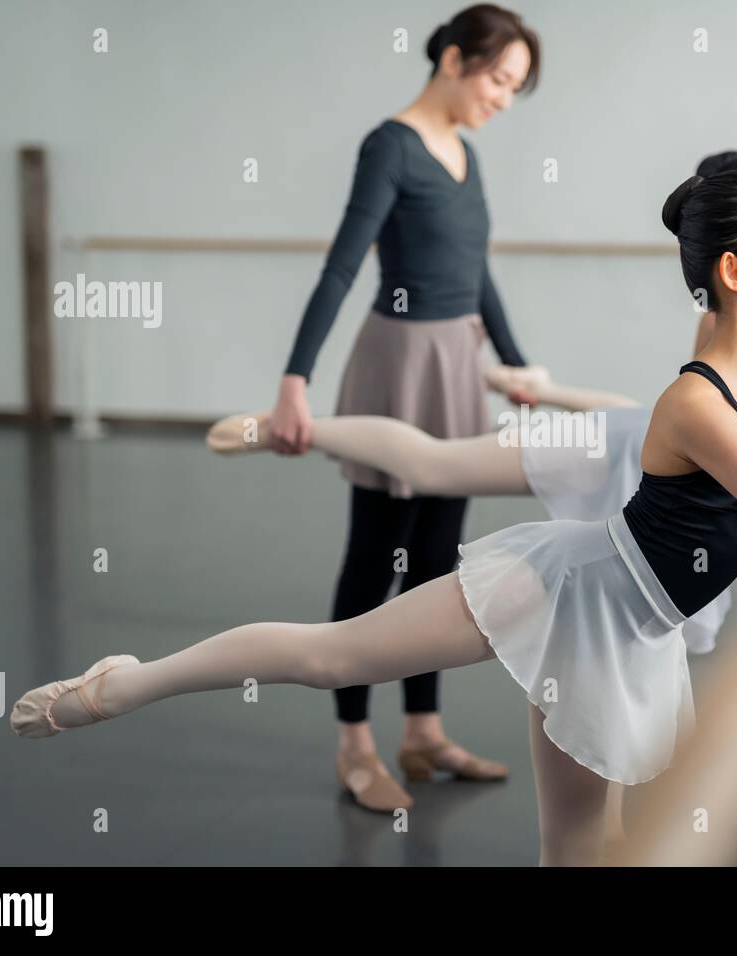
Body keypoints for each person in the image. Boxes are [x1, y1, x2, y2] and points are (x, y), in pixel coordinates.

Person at [11, 168, 737, 867]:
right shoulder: (704, 404)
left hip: (638, 634)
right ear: (733, 269)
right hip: (570, 593)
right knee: (331, 653)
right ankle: (132, 682)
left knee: (589, 850)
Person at [269, 4, 542, 813]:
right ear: (454, 59)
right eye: (498, 78)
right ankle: (354, 740)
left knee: (436, 561)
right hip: (397, 365)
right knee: (374, 555)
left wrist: (514, 360)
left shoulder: (468, 155)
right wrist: (294, 379)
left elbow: (477, 270)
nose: (503, 97)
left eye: (515, 88)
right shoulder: (389, 146)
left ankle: (422, 731)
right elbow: (341, 266)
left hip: (456, 366)